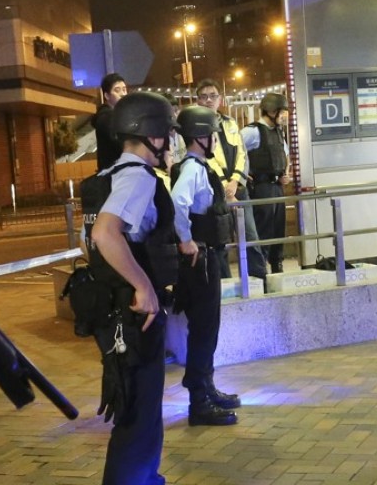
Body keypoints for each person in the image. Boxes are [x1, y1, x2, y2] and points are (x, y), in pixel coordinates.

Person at [87, 92, 177, 485]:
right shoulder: (137, 178)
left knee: (130, 404)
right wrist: (145, 288)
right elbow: (105, 234)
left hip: (112, 311)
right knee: (139, 412)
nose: (169, 143)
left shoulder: (103, 179)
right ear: (150, 134)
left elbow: (86, 243)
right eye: (165, 134)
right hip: (134, 314)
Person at [170, 105, 240, 426]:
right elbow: (178, 203)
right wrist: (185, 239)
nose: (215, 139)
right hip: (202, 260)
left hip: (208, 257)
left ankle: (207, 388)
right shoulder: (192, 169)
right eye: (212, 134)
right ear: (200, 137)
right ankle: (199, 403)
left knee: (207, 329)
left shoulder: (199, 165)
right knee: (202, 331)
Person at [196, 78, 266, 281]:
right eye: (204, 96)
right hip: (215, 191)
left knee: (250, 235)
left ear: (220, 99)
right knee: (220, 239)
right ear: (198, 100)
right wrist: (224, 186)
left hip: (237, 188)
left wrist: (235, 182)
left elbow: (242, 154)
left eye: (213, 96)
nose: (209, 100)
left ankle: (259, 278)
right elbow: (205, 157)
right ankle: (224, 282)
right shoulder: (197, 126)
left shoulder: (230, 123)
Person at [242, 93, 292, 274]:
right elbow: (236, 151)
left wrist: (285, 173)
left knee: (278, 230)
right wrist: (242, 174)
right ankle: (259, 271)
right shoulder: (252, 132)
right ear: (271, 111)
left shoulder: (277, 131)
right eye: (282, 111)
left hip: (277, 187)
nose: (285, 115)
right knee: (263, 230)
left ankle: (277, 266)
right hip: (261, 188)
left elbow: (284, 154)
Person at [92, 72, 128, 170]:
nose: (123, 94)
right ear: (107, 96)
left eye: (124, 90)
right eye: (117, 90)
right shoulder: (107, 117)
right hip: (115, 175)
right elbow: (121, 145)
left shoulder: (114, 115)